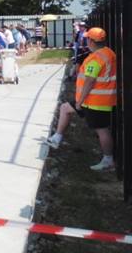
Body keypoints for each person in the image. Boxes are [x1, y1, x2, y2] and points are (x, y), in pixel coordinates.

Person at [47, 27, 116, 171]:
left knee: (102, 129)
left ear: (91, 41)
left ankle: (108, 160)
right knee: (65, 108)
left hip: (94, 101)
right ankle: (56, 138)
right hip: (95, 100)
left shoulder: (97, 58)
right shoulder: (109, 53)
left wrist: (80, 102)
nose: (86, 41)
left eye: (87, 39)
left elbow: (90, 81)